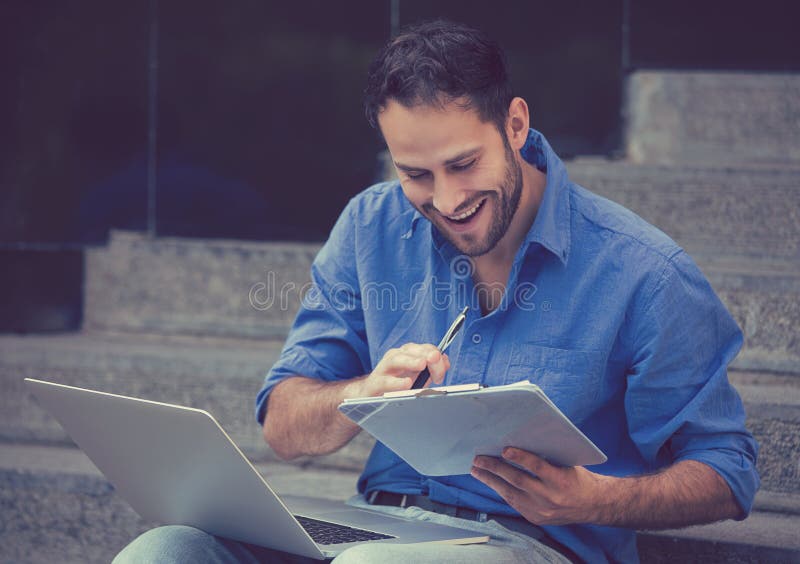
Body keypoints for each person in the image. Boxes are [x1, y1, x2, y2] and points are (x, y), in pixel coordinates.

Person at [115, 20, 759, 564]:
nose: (446, 201)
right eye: (415, 174)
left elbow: (728, 471)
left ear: (514, 124)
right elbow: (283, 427)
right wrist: (361, 395)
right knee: (165, 550)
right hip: (371, 529)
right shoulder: (370, 225)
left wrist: (595, 500)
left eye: (462, 164)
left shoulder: (643, 272)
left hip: (527, 545)